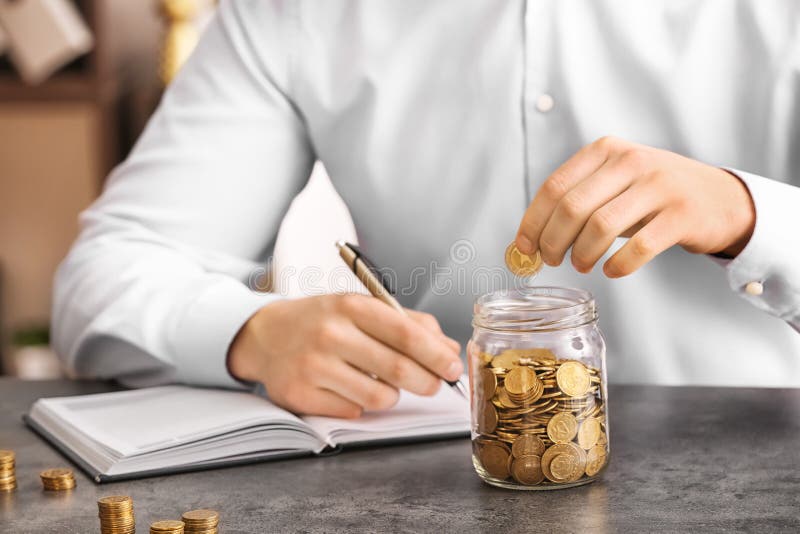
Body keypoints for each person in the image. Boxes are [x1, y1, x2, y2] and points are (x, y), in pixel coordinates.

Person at [53, 1, 800, 418]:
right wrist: (251, 333)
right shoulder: (292, 13)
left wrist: (751, 214)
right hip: (445, 481)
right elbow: (109, 269)